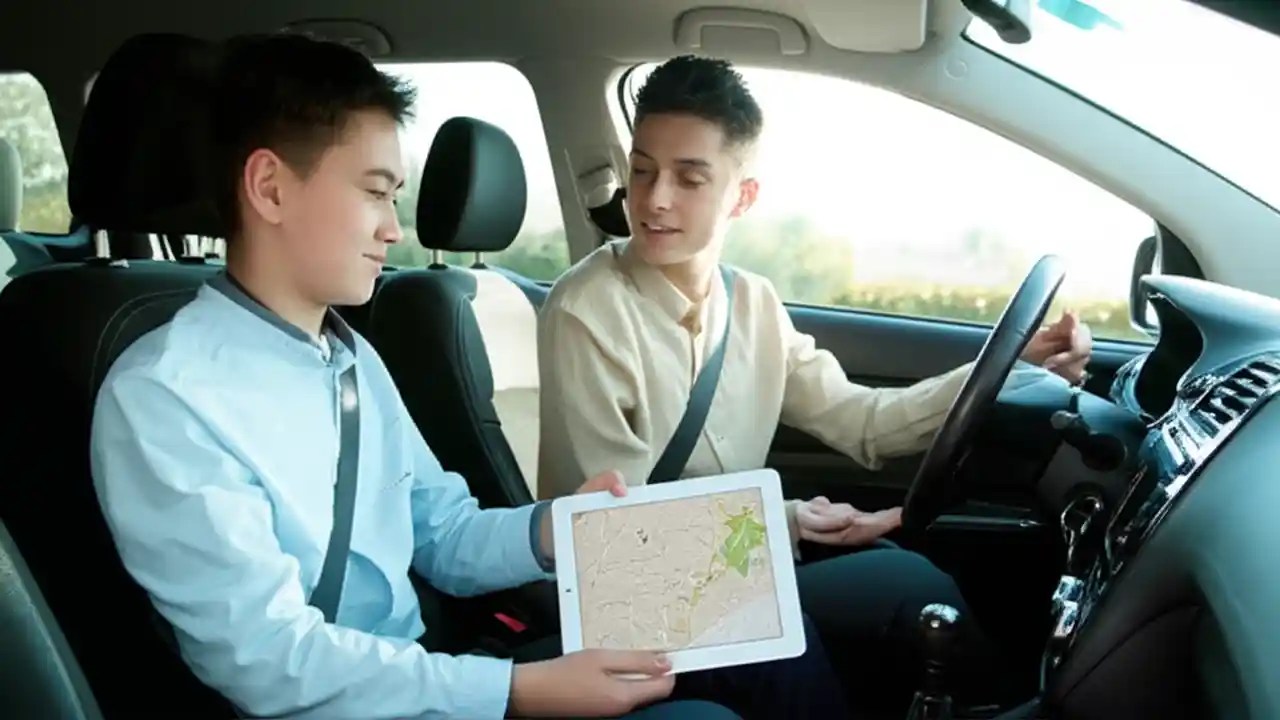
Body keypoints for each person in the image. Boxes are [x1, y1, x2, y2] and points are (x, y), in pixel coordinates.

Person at [88, 35, 769, 720]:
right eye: (376, 193)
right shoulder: (165, 396)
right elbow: (269, 661)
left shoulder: (350, 357)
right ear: (270, 188)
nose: (392, 228)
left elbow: (442, 536)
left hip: (422, 682)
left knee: (748, 652)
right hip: (343, 703)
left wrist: (559, 528)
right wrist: (518, 691)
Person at [536, 55, 1093, 713]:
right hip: (627, 601)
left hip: (725, 577)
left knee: (912, 579)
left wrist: (1004, 370)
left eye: (689, 178)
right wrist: (790, 523)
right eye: (643, 170)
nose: (655, 199)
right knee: (787, 639)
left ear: (742, 196)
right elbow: (622, 538)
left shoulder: (752, 304)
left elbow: (864, 423)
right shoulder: (586, 310)